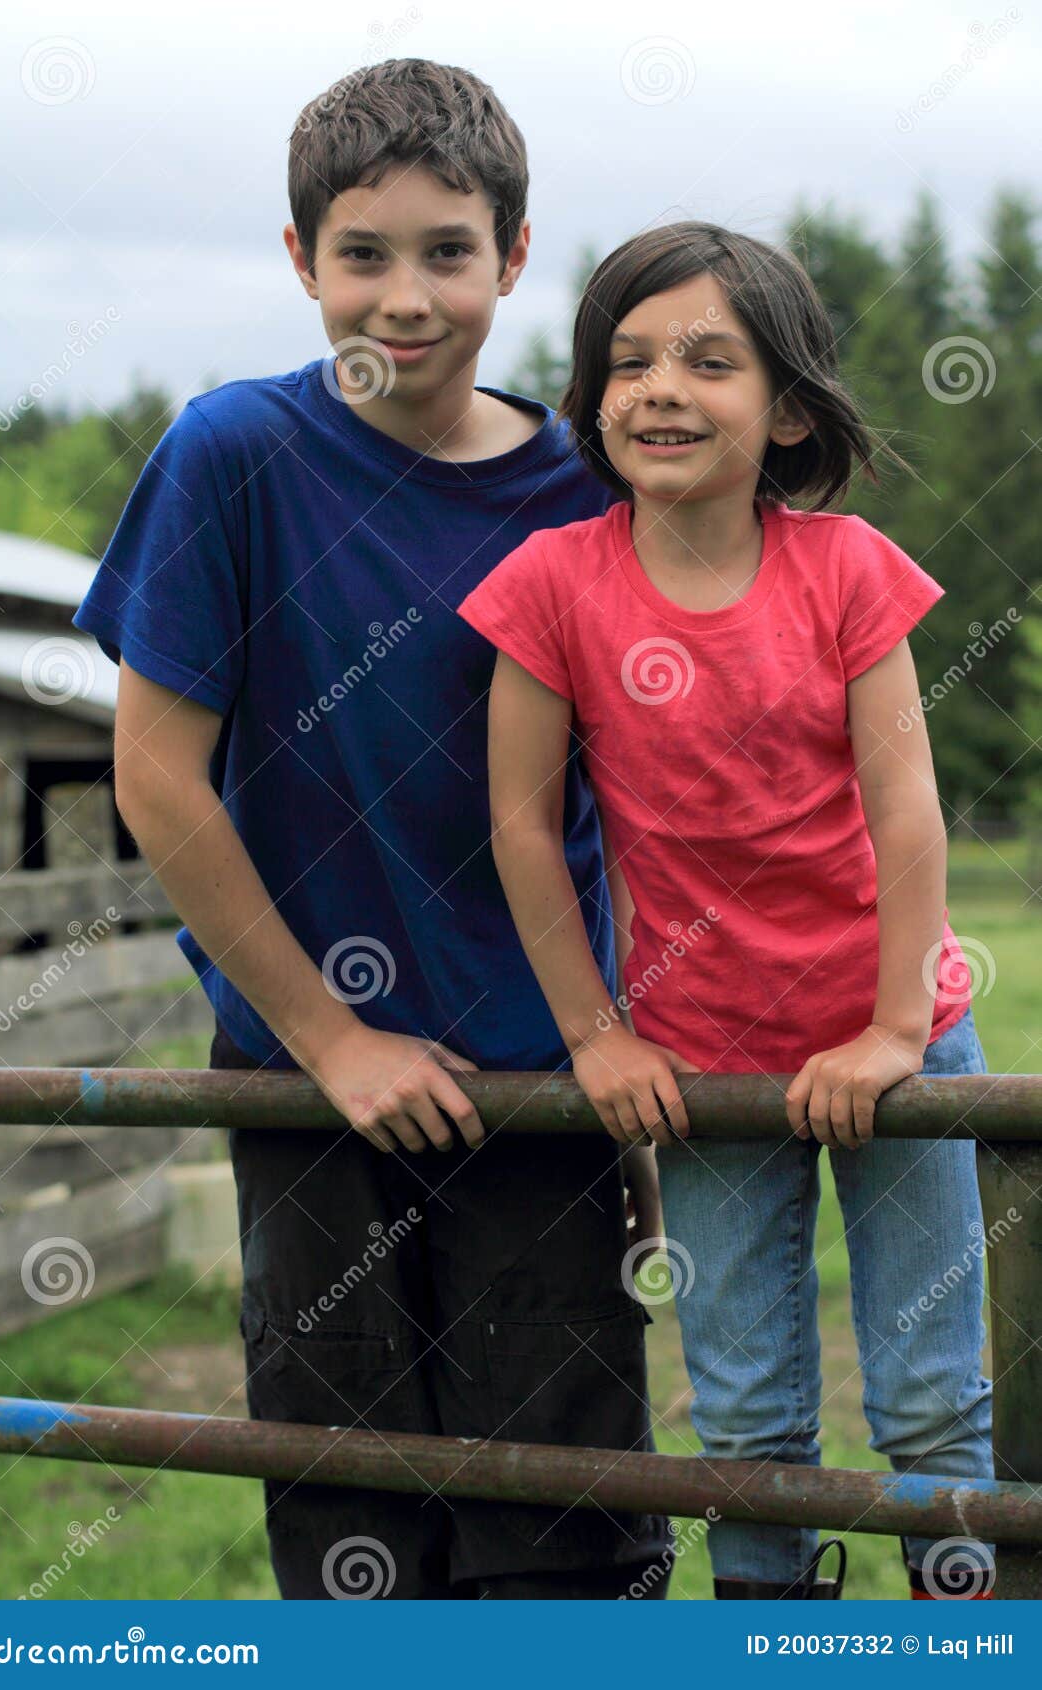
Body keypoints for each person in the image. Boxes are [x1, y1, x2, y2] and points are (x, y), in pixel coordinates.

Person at [72, 58, 671, 1600]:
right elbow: (156, 776)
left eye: (449, 252)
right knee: (353, 1533)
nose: (406, 297)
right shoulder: (231, 457)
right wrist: (333, 1040)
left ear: (515, 255)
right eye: (364, 253)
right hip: (305, 1085)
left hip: (539, 1084)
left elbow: (678, 772)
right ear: (299, 263)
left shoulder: (592, 491)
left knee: (565, 1528)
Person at [457, 220, 995, 1601]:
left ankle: (965, 1638)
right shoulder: (552, 585)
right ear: (589, 398)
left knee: (933, 1406)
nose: (660, 387)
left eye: (709, 358)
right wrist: (597, 1038)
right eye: (627, 360)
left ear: (791, 404)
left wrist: (890, 1029)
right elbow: (522, 822)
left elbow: (906, 811)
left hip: (899, 1045)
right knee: (749, 1422)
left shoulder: (846, 569)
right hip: (702, 1062)